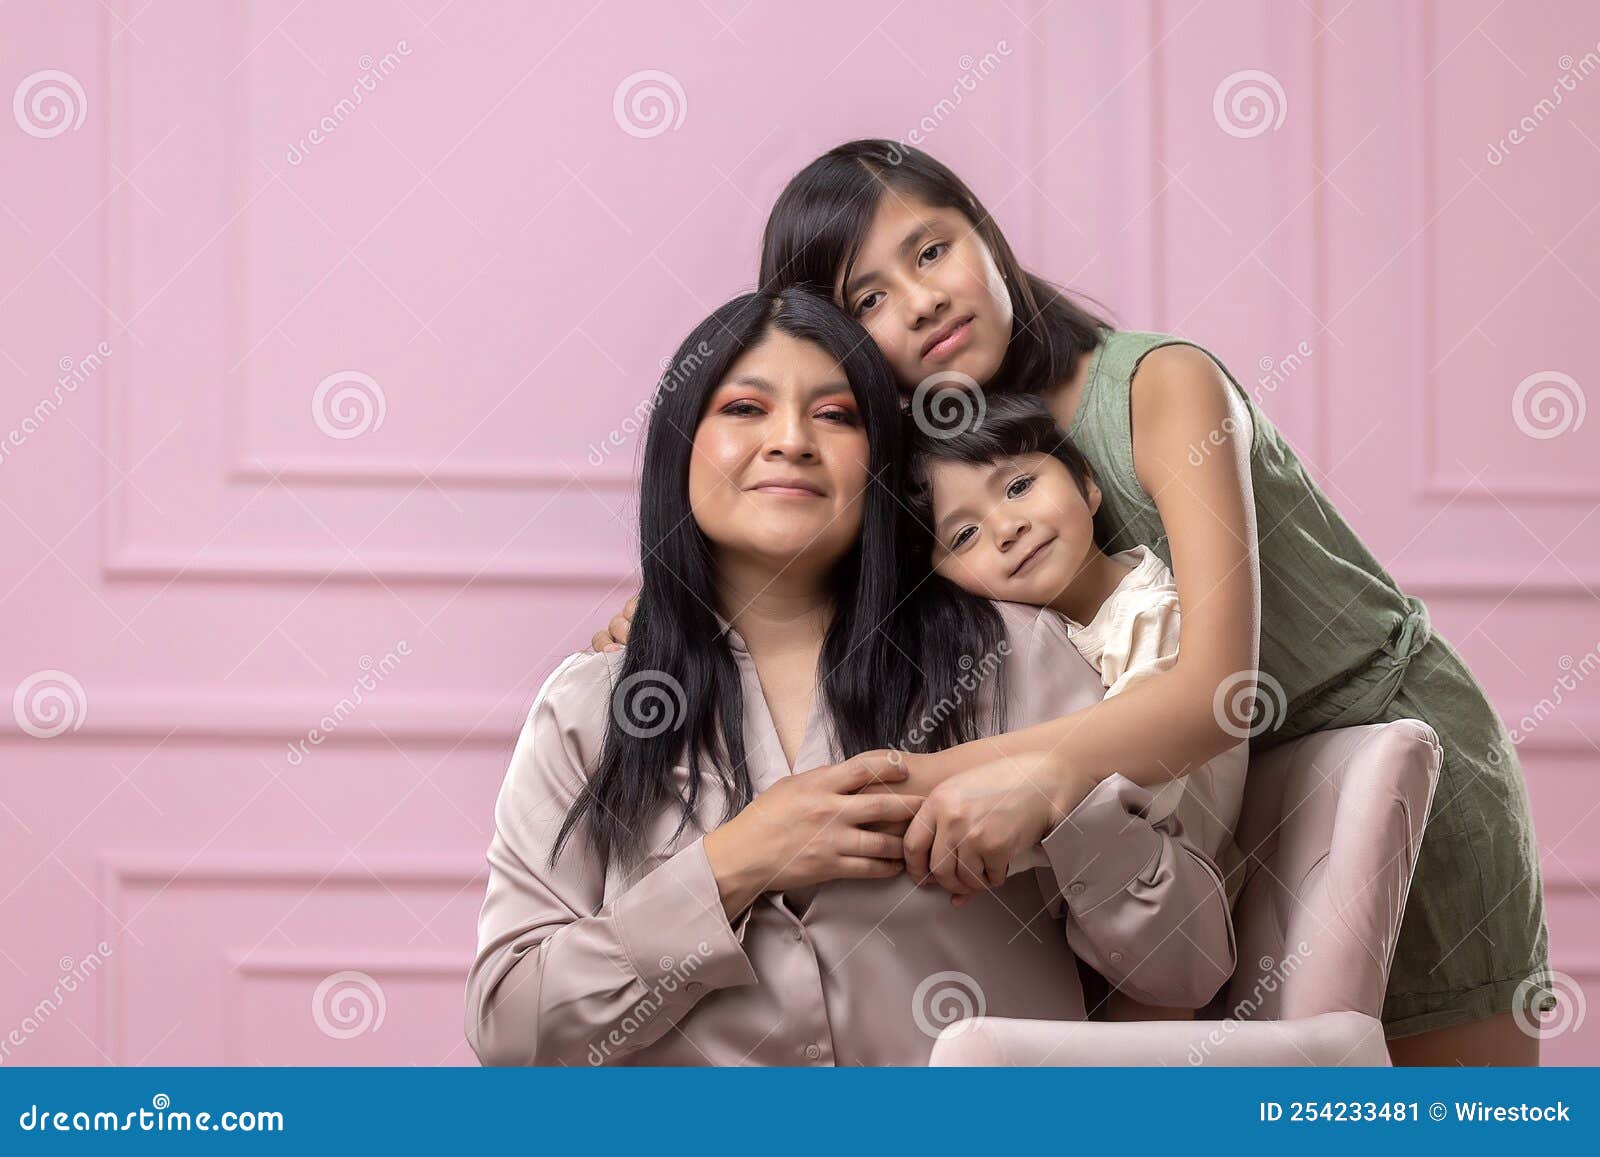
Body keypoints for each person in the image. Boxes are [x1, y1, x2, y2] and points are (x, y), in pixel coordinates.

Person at [591, 140, 1554, 1064]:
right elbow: (803, 572)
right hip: (1187, 827)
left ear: (988, 238)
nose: (922, 301)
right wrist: (680, 602)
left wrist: (1026, 782)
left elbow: (1219, 686)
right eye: (869, 299)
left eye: (934, 250)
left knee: (1455, 1122)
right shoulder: (925, 484)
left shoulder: (1158, 385)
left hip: (1377, 757)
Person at [467, 287, 1235, 1066]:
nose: (792, 440)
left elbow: (1188, 968)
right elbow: (511, 1028)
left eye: (836, 415)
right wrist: (735, 863)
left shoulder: (1018, 651)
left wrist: (1061, 798)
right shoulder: (587, 708)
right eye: (745, 409)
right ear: (679, 446)